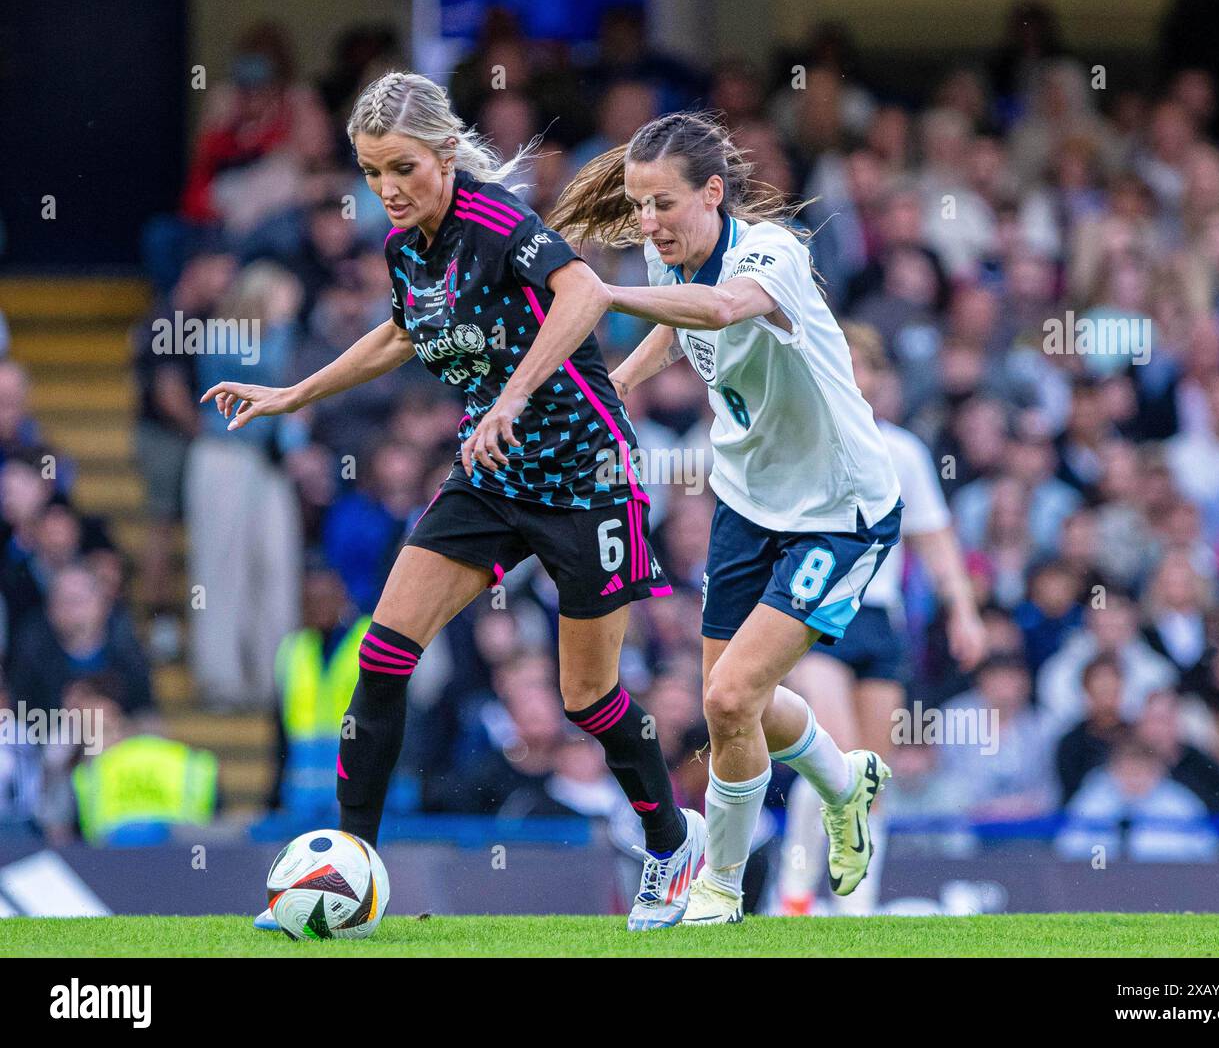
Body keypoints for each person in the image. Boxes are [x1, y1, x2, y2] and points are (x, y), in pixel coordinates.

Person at [202, 72, 702, 932]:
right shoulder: (405, 247)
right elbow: (400, 331)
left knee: (587, 697)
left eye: (402, 167)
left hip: (585, 471)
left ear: (442, 153)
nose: (387, 189)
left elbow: (583, 292)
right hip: (491, 471)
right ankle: (352, 864)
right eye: (370, 173)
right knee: (384, 654)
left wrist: (509, 399)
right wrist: (294, 394)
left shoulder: (496, 220)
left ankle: (670, 842)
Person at [551, 111, 903, 924]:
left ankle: (718, 888)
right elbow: (675, 332)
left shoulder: (772, 254)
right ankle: (846, 783)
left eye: (663, 203)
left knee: (732, 695)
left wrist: (599, 292)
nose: (647, 222)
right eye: (638, 205)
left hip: (839, 510)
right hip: (747, 502)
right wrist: (611, 396)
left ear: (713, 192)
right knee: (730, 697)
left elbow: (713, 312)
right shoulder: (661, 253)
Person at [777, 323, 986, 915]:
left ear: (877, 378)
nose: (855, 375)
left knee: (871, 773)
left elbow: (935, 539)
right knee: (837, 761)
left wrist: (963, 610)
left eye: (864, 366)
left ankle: (855, 910)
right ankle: (795, 892)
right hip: (814, 615)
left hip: (879, 618)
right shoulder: (803, 442)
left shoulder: (903, 452)